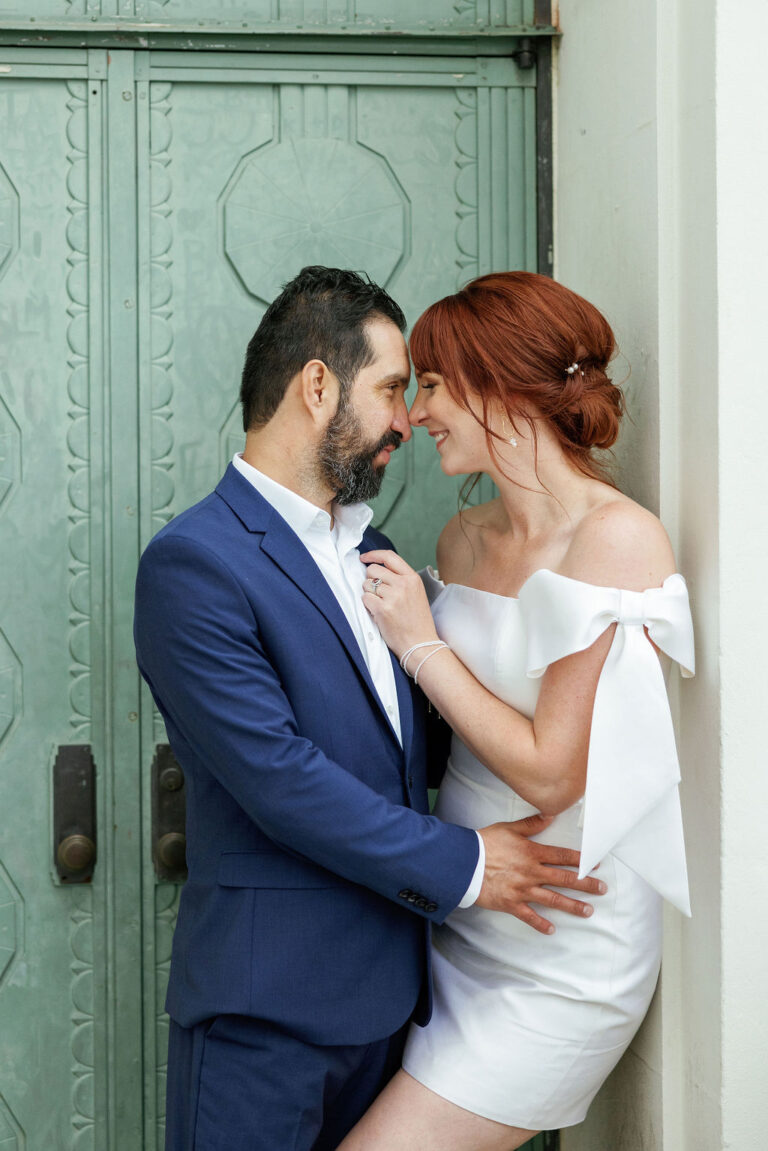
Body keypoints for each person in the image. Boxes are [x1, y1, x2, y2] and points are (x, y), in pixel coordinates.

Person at [132, 266, 605, 1151]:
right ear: (318, 386)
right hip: (263, 1018)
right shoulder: (194, 563)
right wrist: (472, 865)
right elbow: (280, 778)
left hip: (399, 1011)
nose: (406, 421)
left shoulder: (375, 555)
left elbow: (418, 749)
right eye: (391, 388)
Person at [338, 271, 694, 1151]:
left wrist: (421, 644)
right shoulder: (462, 540)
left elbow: (550, 770)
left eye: (432, 384)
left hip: (562, 943)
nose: (416, 414)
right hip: (459, 916)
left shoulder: (617, 539)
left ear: (498, 380)